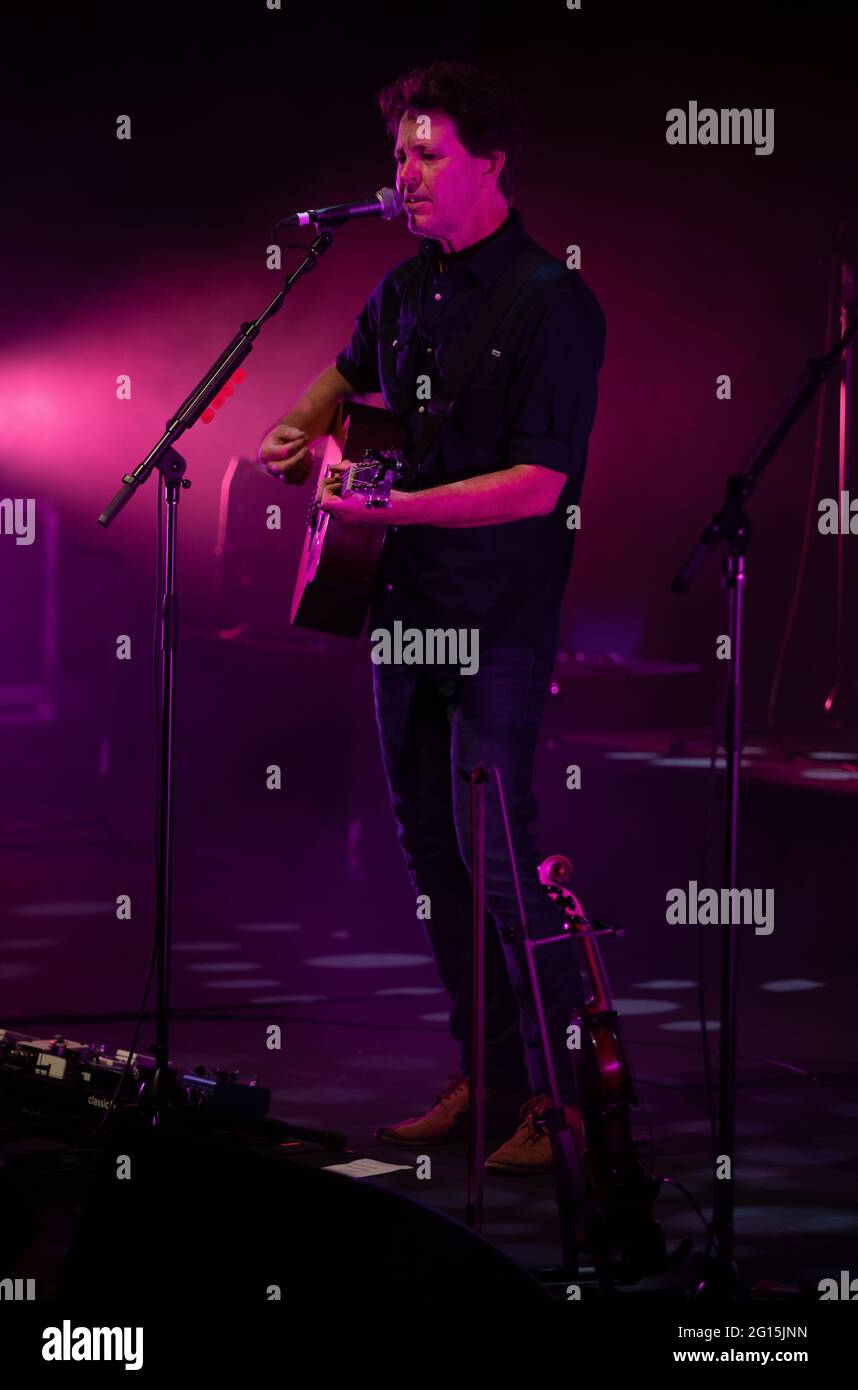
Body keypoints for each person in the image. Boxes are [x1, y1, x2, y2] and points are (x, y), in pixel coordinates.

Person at [259, 61, 606, 1173]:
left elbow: (538, 484)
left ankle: (565, 1102)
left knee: (497, 857)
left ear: (489, 162)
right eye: (398, 156)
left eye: (426, 155)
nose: (402, 175)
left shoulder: (553, 304)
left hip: (495, 622)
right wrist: (299, 429)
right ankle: (489, 1072)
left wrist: (389, 499)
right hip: (396, 610)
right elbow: (342, 378)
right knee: (430, 856)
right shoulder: (402, 290)